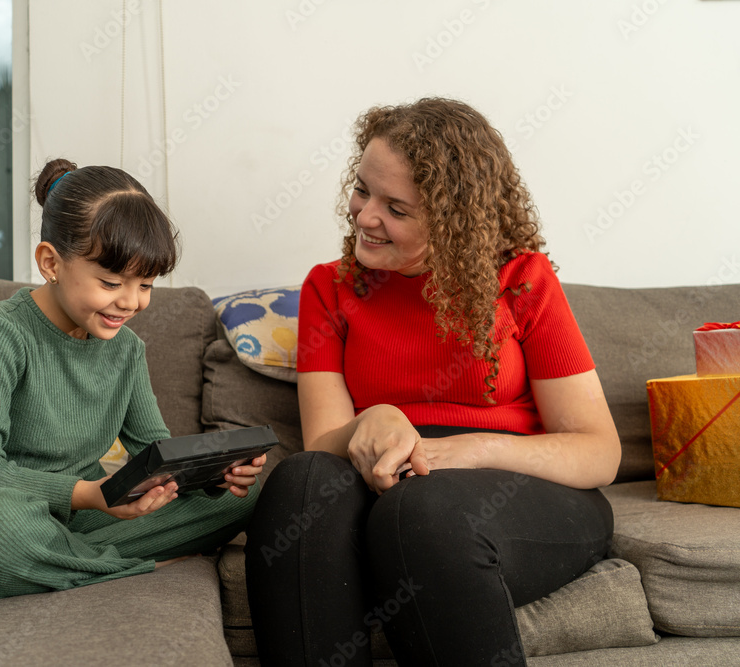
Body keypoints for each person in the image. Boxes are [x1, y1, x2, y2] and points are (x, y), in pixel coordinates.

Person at [244, 98, 621, 666]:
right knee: (301, 481)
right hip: (386, 473)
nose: (365, 217)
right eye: (363, 190)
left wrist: (470, 451)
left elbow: (599, 451)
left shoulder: (523, 280)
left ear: (452, 221)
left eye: (396, 208)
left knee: (421, 511)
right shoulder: (329, 287)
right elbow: (324, 442)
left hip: (516, 486)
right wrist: (374, 419)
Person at [0, 158, 265, 599]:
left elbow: (155, 453)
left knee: (249, 496)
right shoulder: (1, 334)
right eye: (111, 283)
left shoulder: (126, 349)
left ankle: (68, 562)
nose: (130, 302)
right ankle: (132, 562)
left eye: (145, 285)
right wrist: (91, 494)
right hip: (8, 509)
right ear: (51, 263)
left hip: (92, 515)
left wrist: (213, 475)